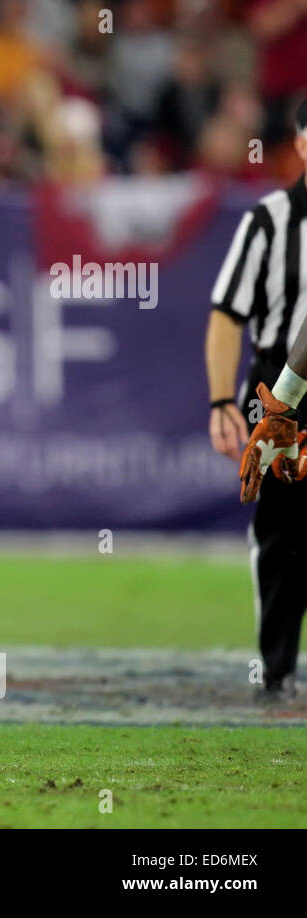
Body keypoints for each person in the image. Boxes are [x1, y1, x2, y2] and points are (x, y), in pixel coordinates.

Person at [209, 100, 307, 703]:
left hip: (288, 388)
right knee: (284, 526)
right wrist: (233, 402)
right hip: (282, 382)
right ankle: (277, 668)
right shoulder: (272, 219)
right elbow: (230, 313)